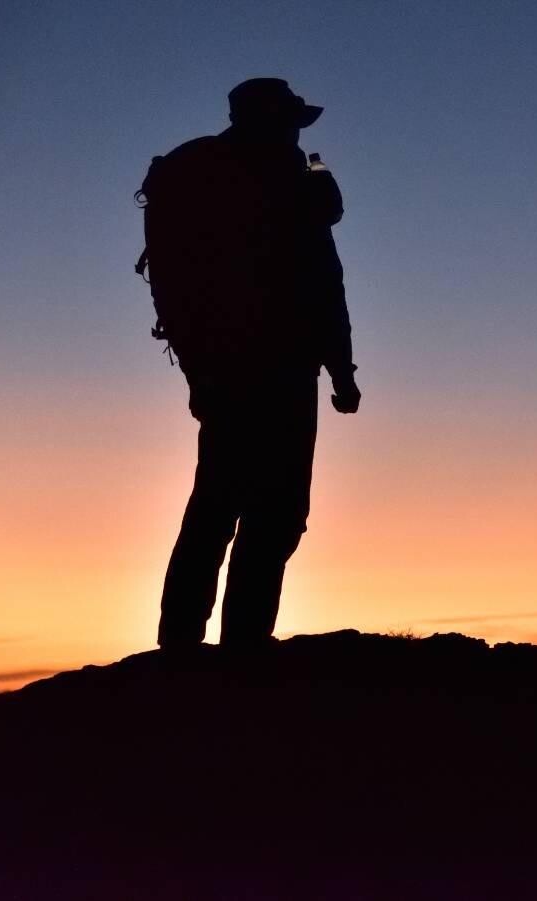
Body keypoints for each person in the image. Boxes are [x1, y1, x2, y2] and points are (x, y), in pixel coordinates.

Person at [140, 77, 361, 649]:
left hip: (243, 371)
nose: (295, 132)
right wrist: (341, 368)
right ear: (270, 120)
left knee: (234, 507)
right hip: (264, 371)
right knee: (257, 510)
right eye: (288, 120)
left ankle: (201, 650)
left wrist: (340, 367)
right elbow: (322, 281)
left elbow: (321, 280)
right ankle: (225, 652)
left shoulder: (242, 179)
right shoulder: (272, 185)